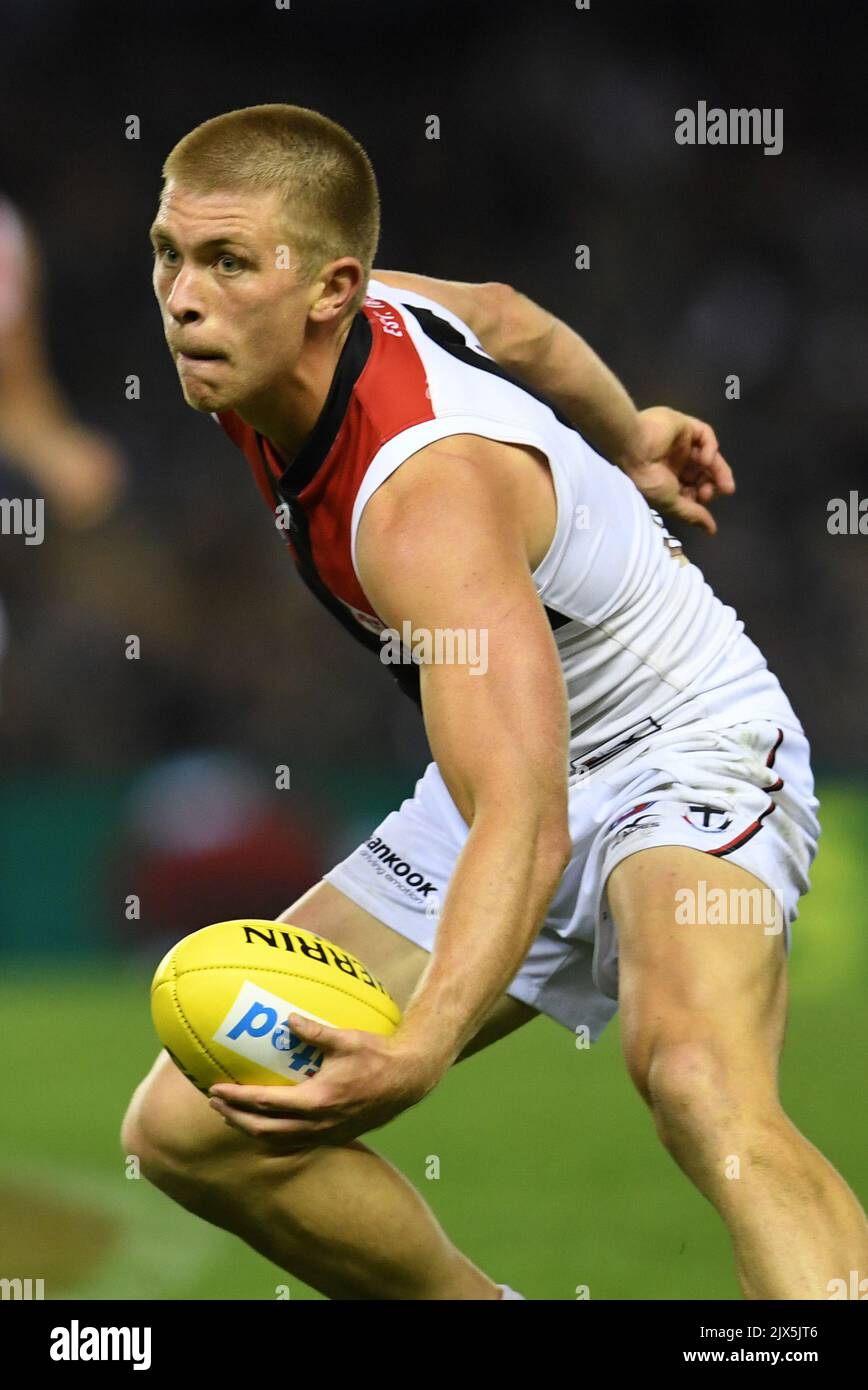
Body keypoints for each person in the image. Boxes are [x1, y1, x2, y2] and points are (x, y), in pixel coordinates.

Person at [122, 104, 866, 1300]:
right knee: (190, 1127)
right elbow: (516, 319)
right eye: (168, 253)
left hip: (679, 745)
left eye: (225, 263)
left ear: (328, 287)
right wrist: (634, 436)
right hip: (511, 767)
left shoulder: (424, 496)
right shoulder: (347, 319)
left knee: (695, 1080)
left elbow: (523, 809)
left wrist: (418, 1052)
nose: (182, 296)